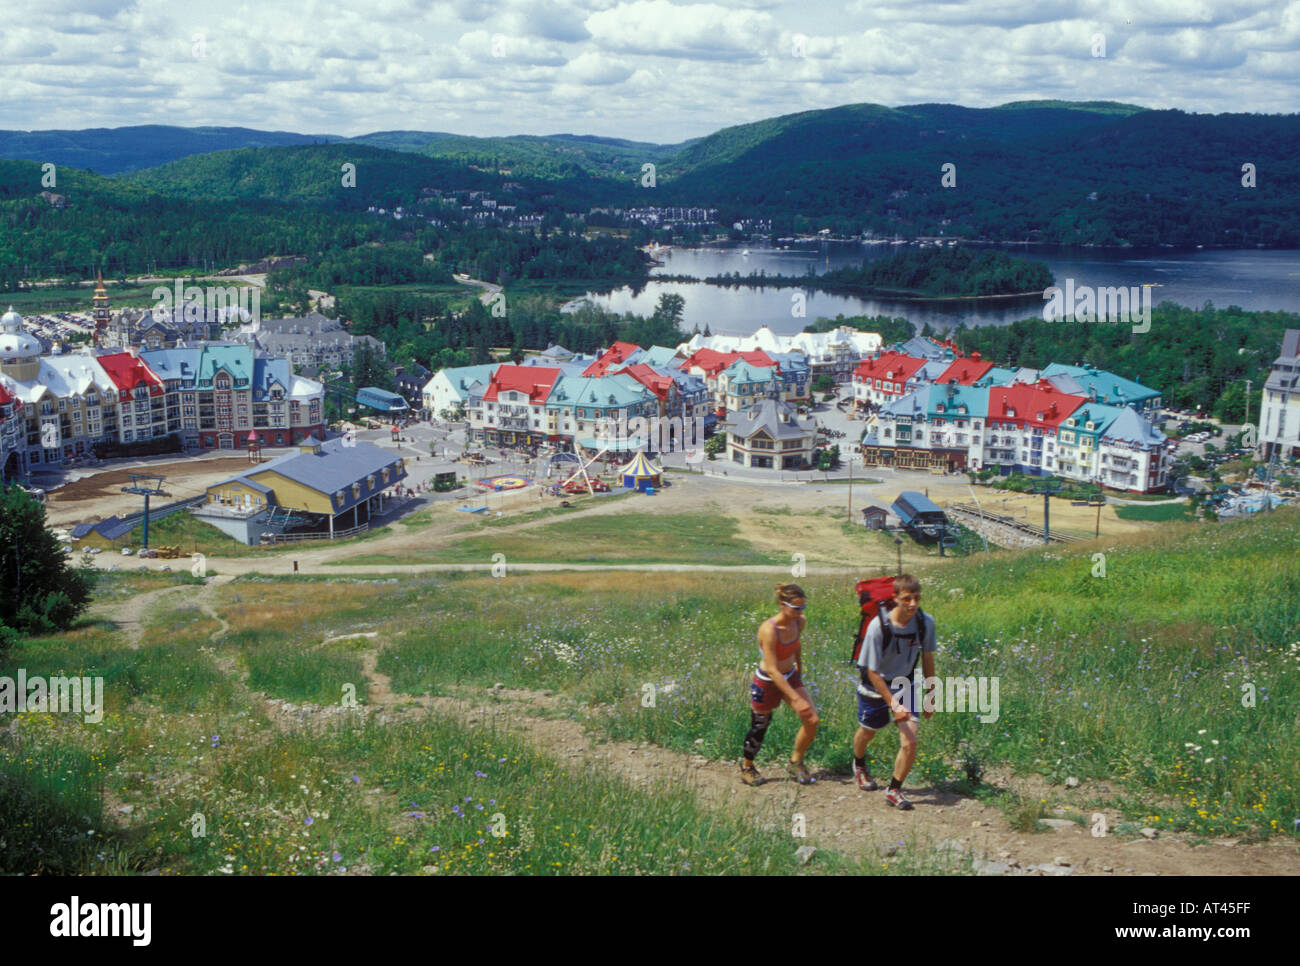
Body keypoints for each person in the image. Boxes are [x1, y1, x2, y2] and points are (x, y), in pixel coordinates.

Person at [851, 573, 935, 809]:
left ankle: (894, 790)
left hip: (904, 683)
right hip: (875, 684)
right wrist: (893, 704)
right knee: (868, 731)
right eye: (907, 598)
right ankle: (859, 763)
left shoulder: (925, 622)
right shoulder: (879, 626)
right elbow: (872, 671)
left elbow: (927, 659)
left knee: (910, 742)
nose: (913, 604)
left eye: (917, 598)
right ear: (895, 597)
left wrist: (931, 695)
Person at [741, 584, 819, 786]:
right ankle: (747, 766)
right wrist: (794, 698)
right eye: (795, 608)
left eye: (802, 608)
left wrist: (800, 666)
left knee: (812, 719)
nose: (799, 613)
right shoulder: (769, 629)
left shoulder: (799, 622)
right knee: (760, 725)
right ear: (782, 605)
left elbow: (797, 644)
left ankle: (795, 761)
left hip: (790, 675)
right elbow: (773, 670)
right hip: (768, 680)